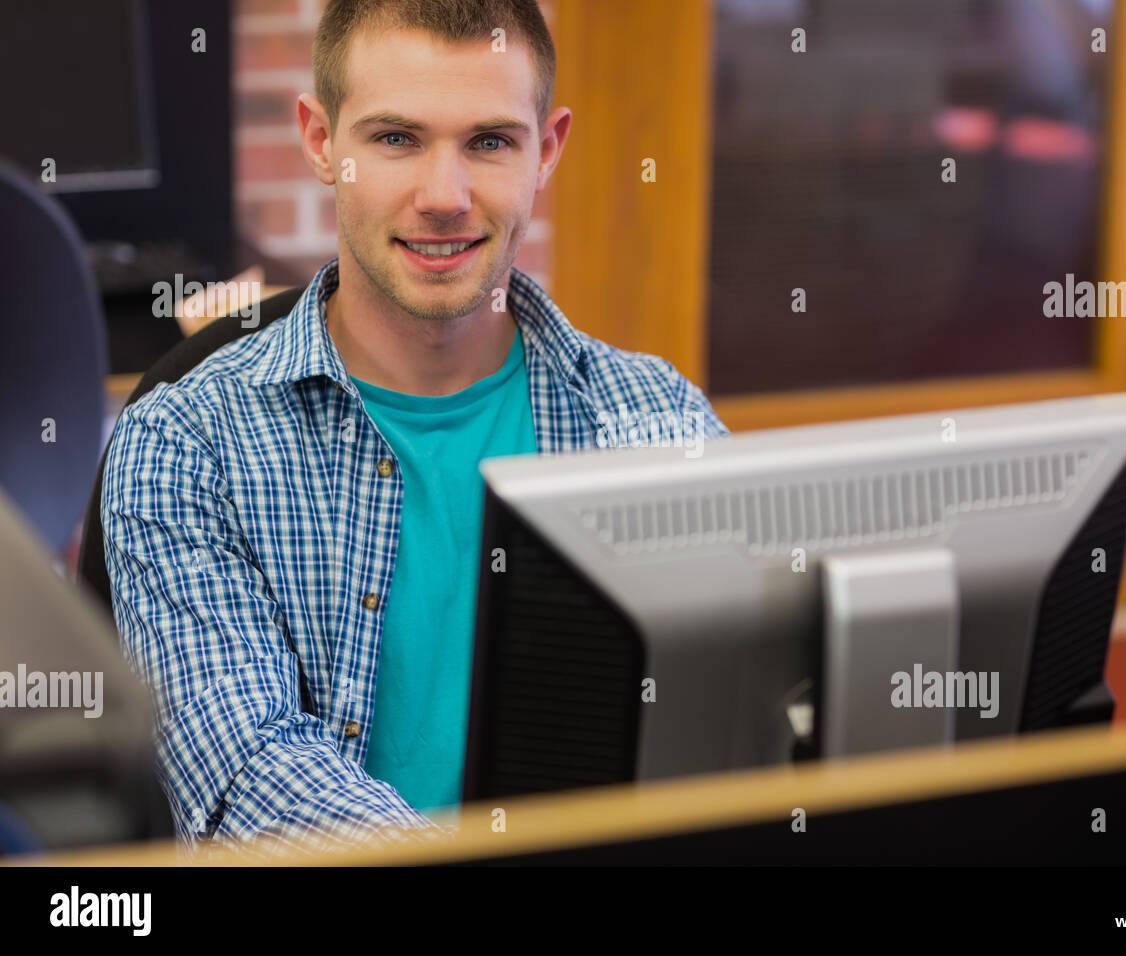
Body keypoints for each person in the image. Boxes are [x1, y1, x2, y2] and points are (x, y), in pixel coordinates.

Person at [100, 0, 728, 856]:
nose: (445, 197)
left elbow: (728, 746)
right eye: (396, 139)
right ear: (322, 142)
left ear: (546, 152)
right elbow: (245, 774)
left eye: (490, 142)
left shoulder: (660, 422)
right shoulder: (186, 444)